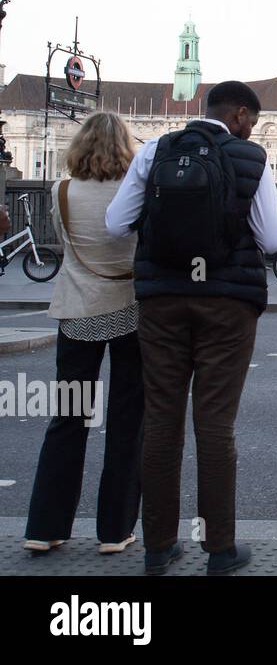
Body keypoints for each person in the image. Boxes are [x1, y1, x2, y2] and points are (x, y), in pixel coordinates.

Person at [105, 81, 277, 575]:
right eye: (251, 118)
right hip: (227, 305)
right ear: (240, 114)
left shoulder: (156, 151)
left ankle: (158, 547)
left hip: (163, 300)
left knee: (162, 422)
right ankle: (220, 550)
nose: (251, 127)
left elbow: (115, 222)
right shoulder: (251, 156)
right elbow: (273, 239)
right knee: (215, 425)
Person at [25, 112, 142, 555]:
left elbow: (66, 246)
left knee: (69, 418)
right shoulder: (135, 195)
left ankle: (45, 526)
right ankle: (114, 530)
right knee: (126, 420)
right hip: (129, 308)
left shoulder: (61, 192)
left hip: (77, 309)